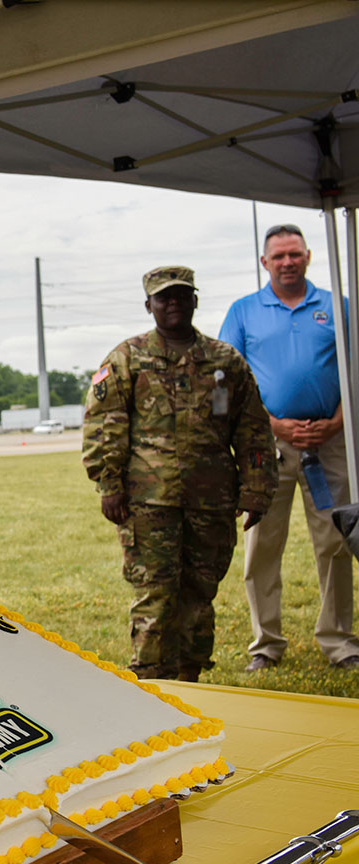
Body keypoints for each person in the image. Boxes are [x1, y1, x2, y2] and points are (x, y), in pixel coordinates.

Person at [83, 266, 276, 681]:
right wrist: (109, 484)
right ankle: (151, 680)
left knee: (200, 593)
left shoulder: (225, 362)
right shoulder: (127, 358)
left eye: (181, 296)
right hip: (148, 502)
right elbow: (105, 424)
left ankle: (191, 679)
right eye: (163, 298)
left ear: (195, 301)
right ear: (148, 305)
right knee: (155, 593)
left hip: (212, 500)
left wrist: (256, 490)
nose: (173, 304)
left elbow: (252, 428)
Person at [219, 224, 359, 671]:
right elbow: (227, 380)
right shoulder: (244, 312)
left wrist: (337, 421)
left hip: (330, 443)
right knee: (262, 544)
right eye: (278, 256)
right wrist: (274, 423)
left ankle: (339, 642)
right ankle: (266, 644)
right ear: (264, 262)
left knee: (336, 540)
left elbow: (355, 366)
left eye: (294, 254)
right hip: (268, 446)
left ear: (309, 257)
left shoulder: (337, 307)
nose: (287, 262)